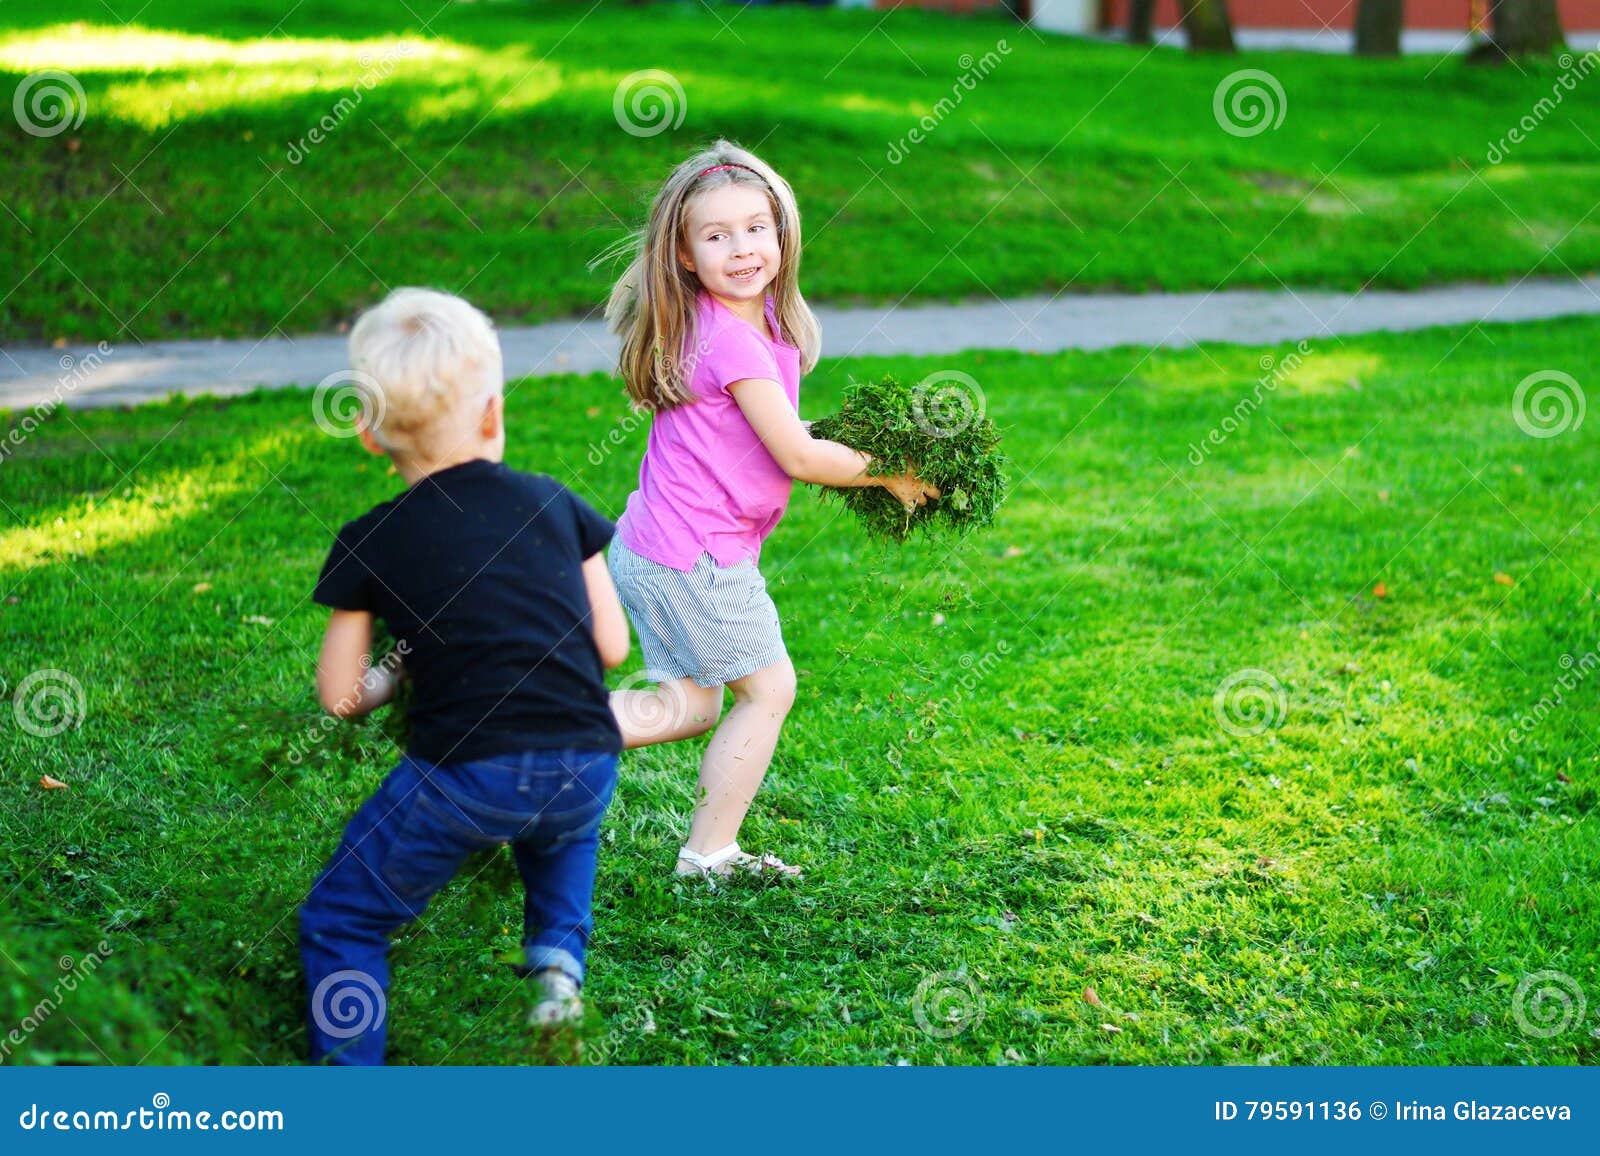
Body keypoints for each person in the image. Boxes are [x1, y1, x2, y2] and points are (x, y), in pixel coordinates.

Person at [298, 288, 629, 1063]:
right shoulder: (555, 503)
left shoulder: (368, 538)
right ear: (492, 413)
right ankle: (556, 962)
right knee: (560, 824)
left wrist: (401, 663)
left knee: (342, 919)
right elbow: (610, 647)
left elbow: (343, 698)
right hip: (586, 758)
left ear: (368, 433)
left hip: (462, 776)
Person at [602, 141, 939, 881]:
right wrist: (892, 473)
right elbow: (797, 455)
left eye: (757, 227)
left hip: (653, 543)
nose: (743, 248)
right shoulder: (734, 342)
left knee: (690, 708)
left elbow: (767, 437)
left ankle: (535, 735)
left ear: (783, 232)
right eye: (716, 236)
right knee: (768, 688)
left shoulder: (725, 324)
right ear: (684, 256)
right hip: (696, 554)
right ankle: (710, 854)